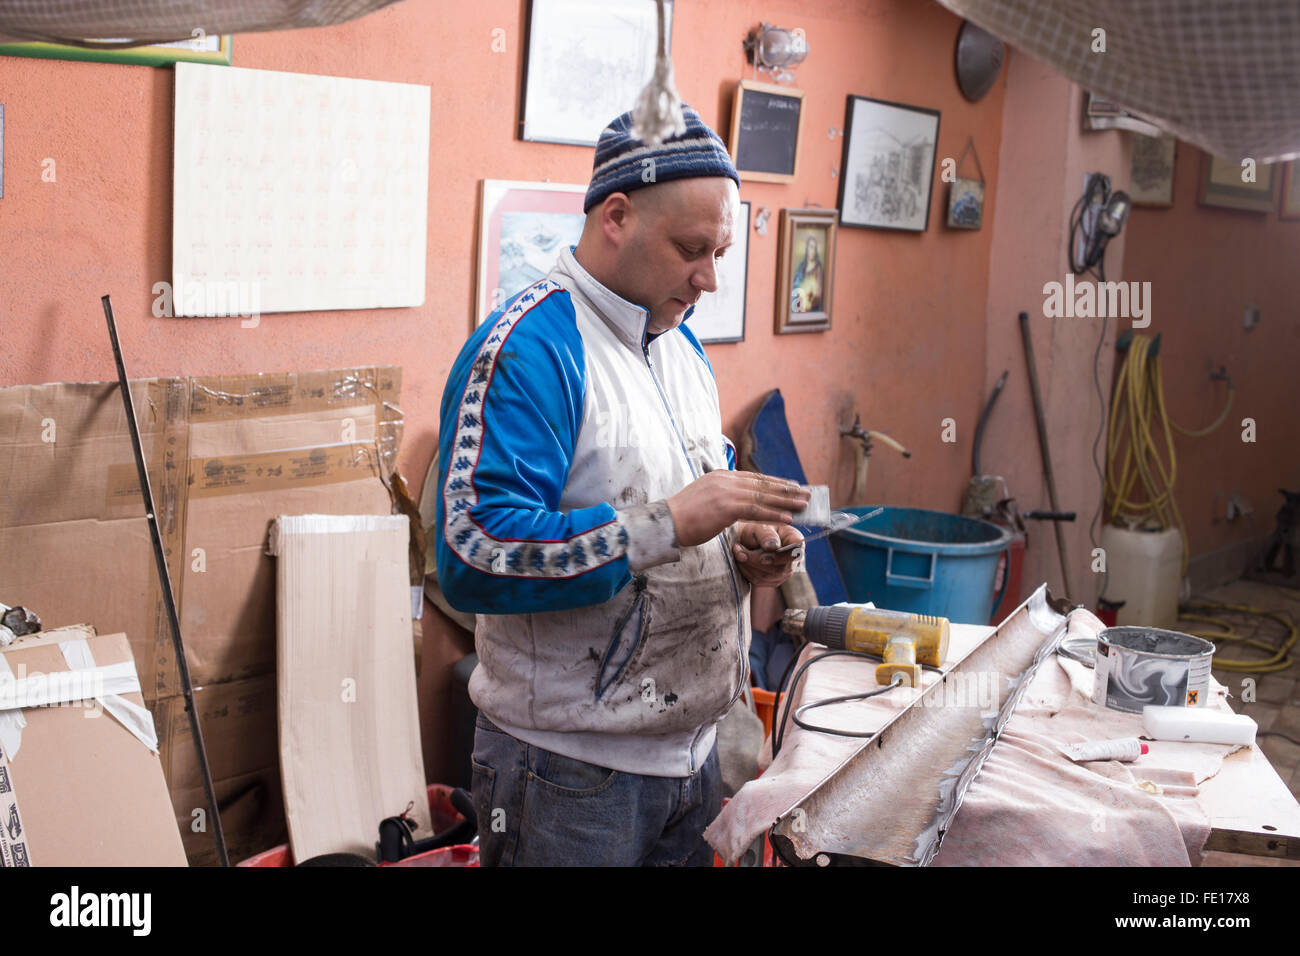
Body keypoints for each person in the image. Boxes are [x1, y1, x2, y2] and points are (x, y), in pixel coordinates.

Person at [435, 105, 809, 866]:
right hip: (569, 776)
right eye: (692, 249)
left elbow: (688, 512)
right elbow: (472, 555)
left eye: (721, 252)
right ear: (616, 217)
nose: (708, 278)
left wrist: (744, 551)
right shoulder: (531, 349)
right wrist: (667, 522)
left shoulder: (678, 343)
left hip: (689, 759)